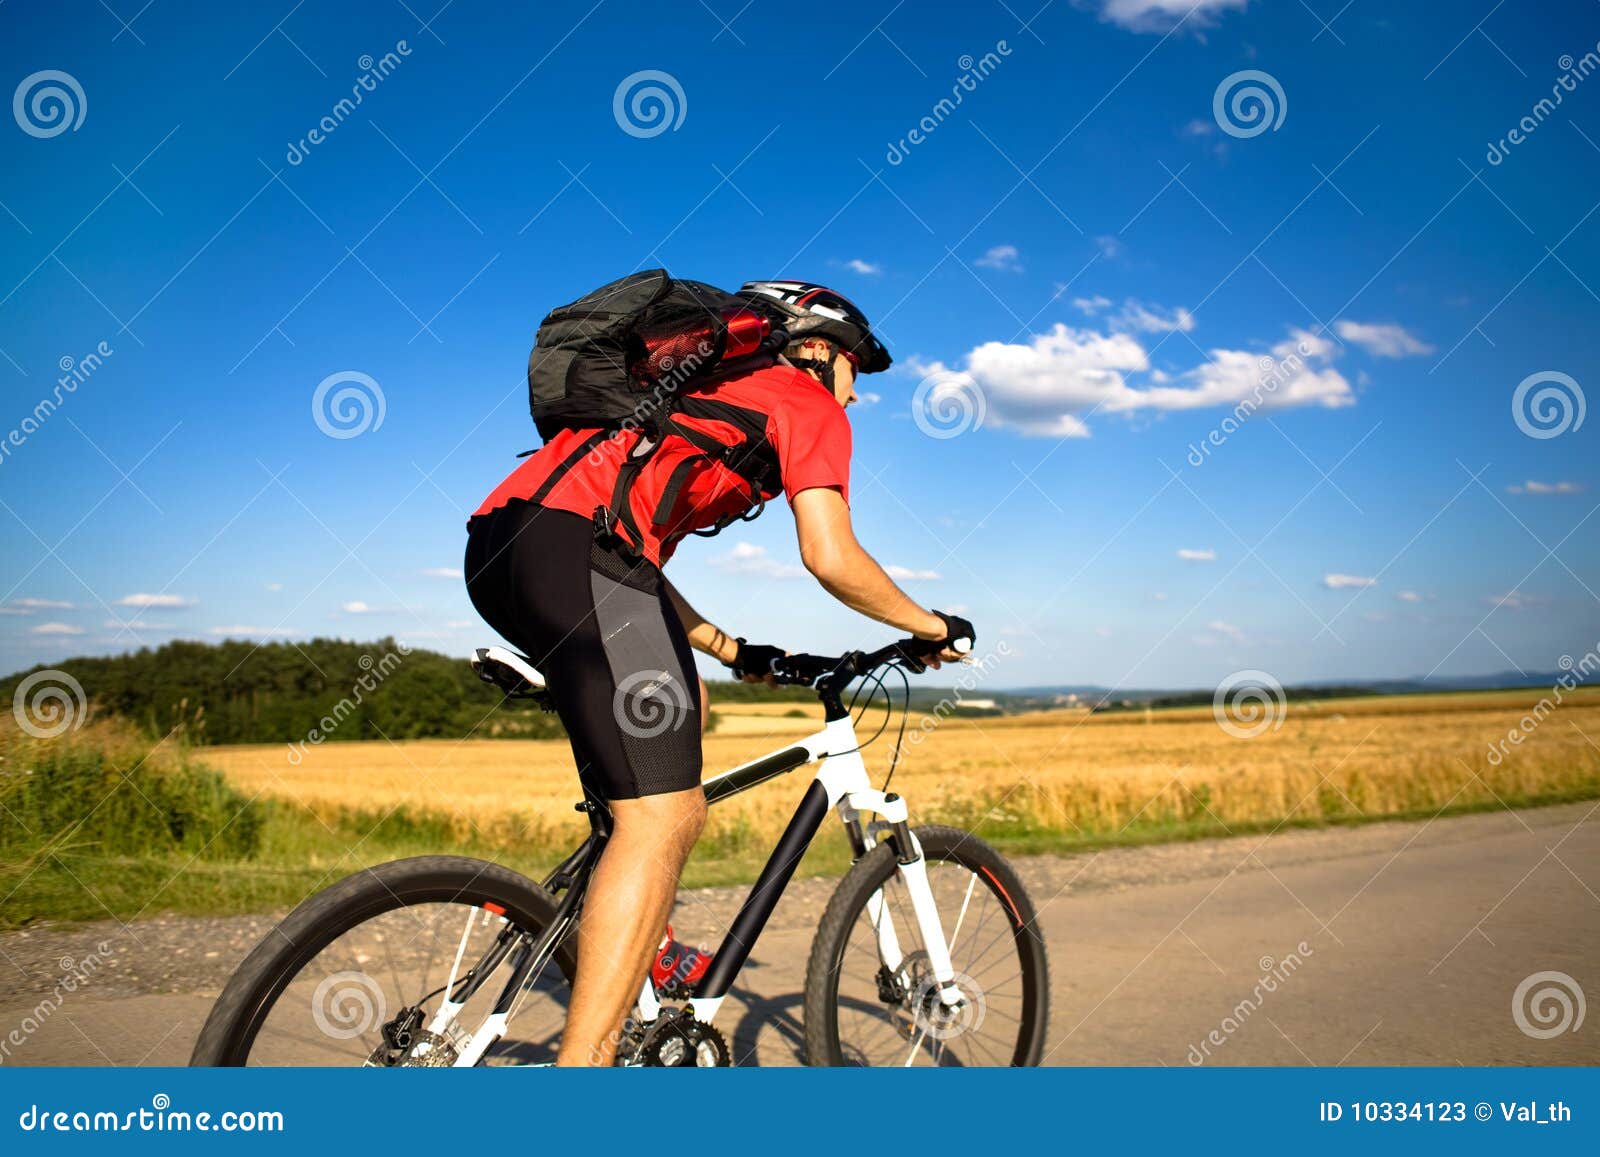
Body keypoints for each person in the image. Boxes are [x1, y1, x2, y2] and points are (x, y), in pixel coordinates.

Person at [463, 279, 975, 1065]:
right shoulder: (805, 404)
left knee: (679, 706)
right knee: (668, 815)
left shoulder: (685, 401)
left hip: (504, 545)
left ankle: (647, 939)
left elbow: (633, 570)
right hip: (574, 553)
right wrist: (933, 625)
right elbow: (830, 556)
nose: (856, 393)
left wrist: (738, 651)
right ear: (817, 349)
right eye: (855, 370)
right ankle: (584, 1076)